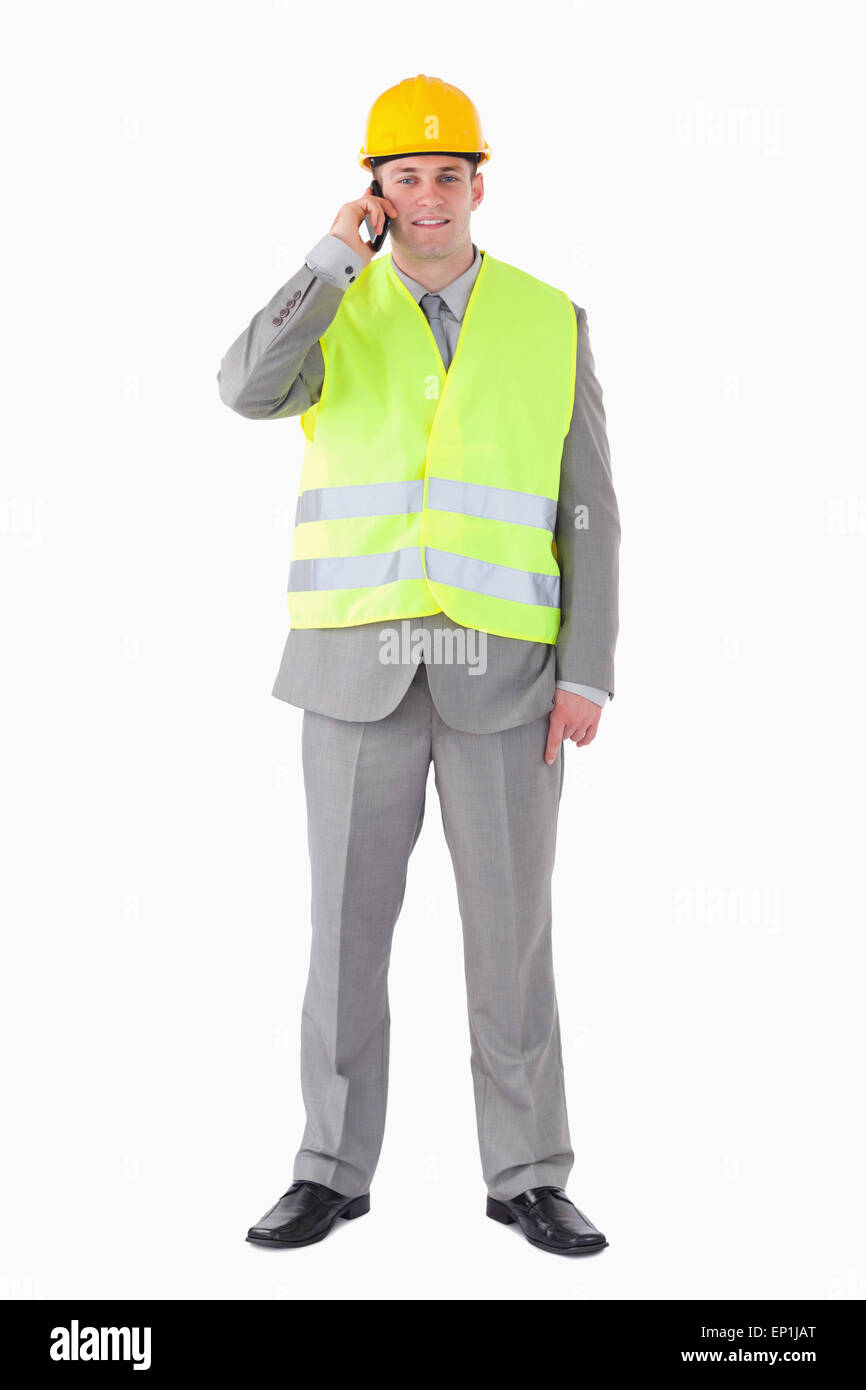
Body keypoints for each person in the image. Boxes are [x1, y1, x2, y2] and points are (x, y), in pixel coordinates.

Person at [217, 74, 620, 1257]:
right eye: (405, 177)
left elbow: (587, 508)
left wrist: (584, 671)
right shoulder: (331, 305)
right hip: (353, 671)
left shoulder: (550, 316)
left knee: (512, 942)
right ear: (375, 192)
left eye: (448, 175)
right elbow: (241, 388)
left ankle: (527, 1174)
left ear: (477, 185)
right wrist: (329, 257)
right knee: (342, 938)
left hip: (507, 682)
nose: (429, 195)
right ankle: (329, 1170)